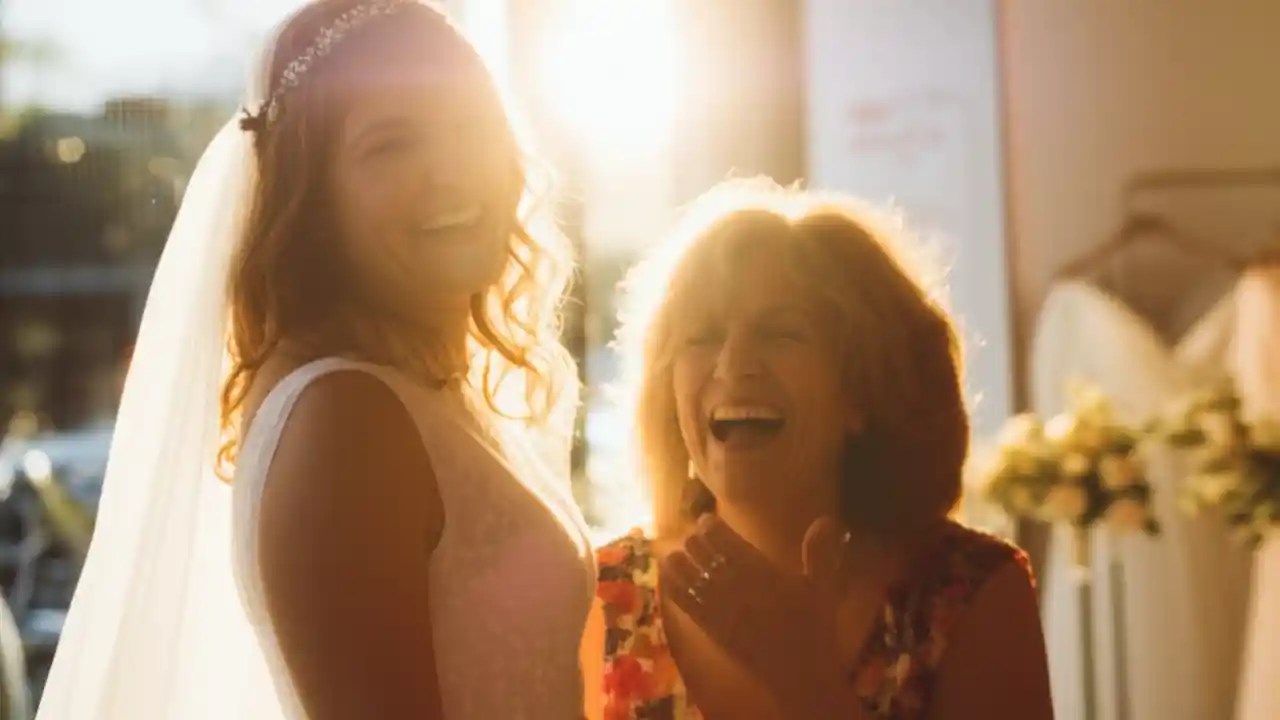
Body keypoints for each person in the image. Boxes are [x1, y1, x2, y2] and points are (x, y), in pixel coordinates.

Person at [38, 2, 593, 718]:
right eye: (392, 144)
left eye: (472, 126)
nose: (452, 170)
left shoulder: (424, 391)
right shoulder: (350, 423)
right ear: (313, 196)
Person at [582, 180, 1053, 719]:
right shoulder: (604, 597)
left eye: (781, 333)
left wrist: (807, 686)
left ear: (863, 389)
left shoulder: (969, 595)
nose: (734, 366)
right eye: (703, 336)